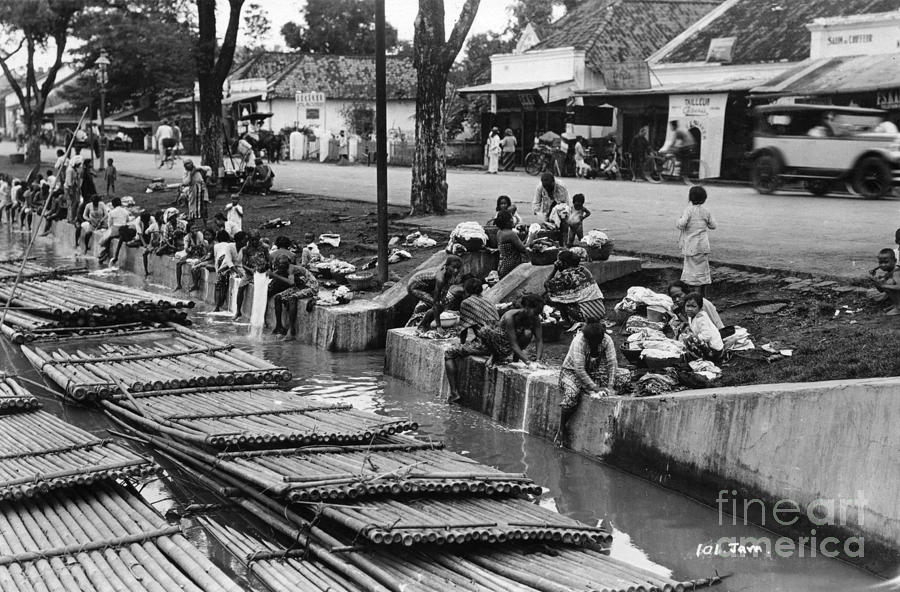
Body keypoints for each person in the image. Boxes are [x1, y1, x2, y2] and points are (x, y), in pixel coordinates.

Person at [555, 322, 618, 448]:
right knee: (572, 394)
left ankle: (591, 386)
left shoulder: (607, 340)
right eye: (592, 342)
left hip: (592, 371)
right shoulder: (579, 341)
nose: (595, 345)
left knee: (625, 377)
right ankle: (561, 429)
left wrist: (610, 385)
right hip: (571, 372)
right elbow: (579, 369)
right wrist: (595, 387)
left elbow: (612, 362)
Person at [443, 278, 500, 402]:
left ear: (467, 290)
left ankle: (454, 392)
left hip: (485, 345)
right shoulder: (488, 301)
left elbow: (463, 329)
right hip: (498, 344)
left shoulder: (466, 302)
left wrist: (462, 344)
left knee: (449, 353)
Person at [478, 293, 544, 366]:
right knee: (484, 331)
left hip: (514, 341)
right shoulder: (510, 317)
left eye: (537, 313)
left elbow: (539, 340)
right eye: (535, 312)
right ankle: (494, 355)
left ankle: (516, 357)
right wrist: (528, 362)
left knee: (528, 333)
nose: (536, 315)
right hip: (500, 342)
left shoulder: (535, 318)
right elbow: (513, 343)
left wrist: (538, 361)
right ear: (527, 307)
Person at [544, 249, 606, 323]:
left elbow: (546, 284)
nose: (556, 263)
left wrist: (555, 269)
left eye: (558, 261)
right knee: (568, 295)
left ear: (564, 263)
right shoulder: (584, 269)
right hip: (600, 311)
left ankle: (567, 322)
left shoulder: (565, 275)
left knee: (550, 297)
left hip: (585, 316)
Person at [676, 186, 717, 296]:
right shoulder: (706, 211)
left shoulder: (688, 210)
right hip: (702, 246)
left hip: (691, 246)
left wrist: (678, 220)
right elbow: (713, 225)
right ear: (704, 198)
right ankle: (703, 296)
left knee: (692, 271)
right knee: (702, 269)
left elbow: (681, 224)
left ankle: (694, 295)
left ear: (690, 198)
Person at [406, 255, 463, 333]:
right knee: (438, 306)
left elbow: (444, 293)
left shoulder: (449, 274)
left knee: (441, 305)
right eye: (453, 267)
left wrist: (445, 308)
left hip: (427, 286)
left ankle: (427, 325)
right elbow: (436, 302)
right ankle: (422, 326)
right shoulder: (440, 278)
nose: (456, 270)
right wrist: (439, 326)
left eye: (458, 268)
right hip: (414, 287)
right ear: (447, 266)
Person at [271, 260, 319, 340]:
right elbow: (274, 274)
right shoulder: (282, 268)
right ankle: (279, 327)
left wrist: (274, 275)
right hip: (299, 286)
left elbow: (291, 282)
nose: (278, 270)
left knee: (292, 298)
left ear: (285, 266)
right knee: (278, 297)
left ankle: (291, 330)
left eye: (280, 268)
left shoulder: (291, 269)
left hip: (310, 286)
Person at [234, 232, 270, 321]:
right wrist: (250, 270)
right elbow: (243, 264)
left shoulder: (264, 247)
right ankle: (238, 311)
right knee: (241, 288)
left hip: (262, 272)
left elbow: (269, 260)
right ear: (249, 240)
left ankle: (262, 316)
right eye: (252, 240)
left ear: (259, 239)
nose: (254, 242)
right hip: (249, 273)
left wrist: (267, 269)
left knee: (263, 291)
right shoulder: (246, 249)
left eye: (256, 240)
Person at [679, 292, 724, 361]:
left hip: (714, 350)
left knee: (688, 338)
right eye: (687, 306)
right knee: (683, 334)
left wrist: (693, 337)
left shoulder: (701, 317)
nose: (690, 309)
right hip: (706, 345)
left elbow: (707, 336)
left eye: (693, 306)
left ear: (700, 307)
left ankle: (701, 358)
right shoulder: (690, 316)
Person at [268, 236, 297, 332]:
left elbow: (270, 271)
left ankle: (266, 321)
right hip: (287, 284)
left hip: (277, 283)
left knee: (265, 295)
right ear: (288, 245)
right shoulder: (292, 255)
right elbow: (293, 270)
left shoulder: (272, 254)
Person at [496, 210, 534, 279]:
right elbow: (523, 249)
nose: (513, 221)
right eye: (512, 219)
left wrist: (527, 236)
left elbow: (518, 245)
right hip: (512, 266)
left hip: (502, 266)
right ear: (508, 221)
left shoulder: (499, 232)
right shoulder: (511, 234)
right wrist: (531, 237)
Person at [867, 248, 900, 315]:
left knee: (889, 282)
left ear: (895, 261)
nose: (883, 265)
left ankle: (898, 307)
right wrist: (874, 279)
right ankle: (896, 305)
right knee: (885, 282)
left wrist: (883, 285)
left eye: (886, 262)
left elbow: (899, 287)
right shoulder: (889, 273)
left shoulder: (897, 271)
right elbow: (881, 290)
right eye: (880, 262)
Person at [212, 230, 238, 312]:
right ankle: (221, 304)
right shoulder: (230, 245)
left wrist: (217, 271)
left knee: (219, 284)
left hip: (221, 260)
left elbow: (216, 258)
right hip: (227, 260)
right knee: (225, 284)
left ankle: (217, 306)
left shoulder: (216, 246)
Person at [98, 196, 129, 264]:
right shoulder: (125, 211)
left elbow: (109, 224)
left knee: (105, 238)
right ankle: (105, 252)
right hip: (123, 229)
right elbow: (127, 220)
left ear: (113, 204)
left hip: (115, 229)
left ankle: (105, 252)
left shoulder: (112, 212)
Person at [64, 156, 83, 225]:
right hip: (69, 188)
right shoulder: (70, 170)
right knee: (71, 203)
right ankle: (70, 218)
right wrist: (71, 190)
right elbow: (69, 183)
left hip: (74, 188)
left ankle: (73, 217)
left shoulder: (75, 170)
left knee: (76, 202)